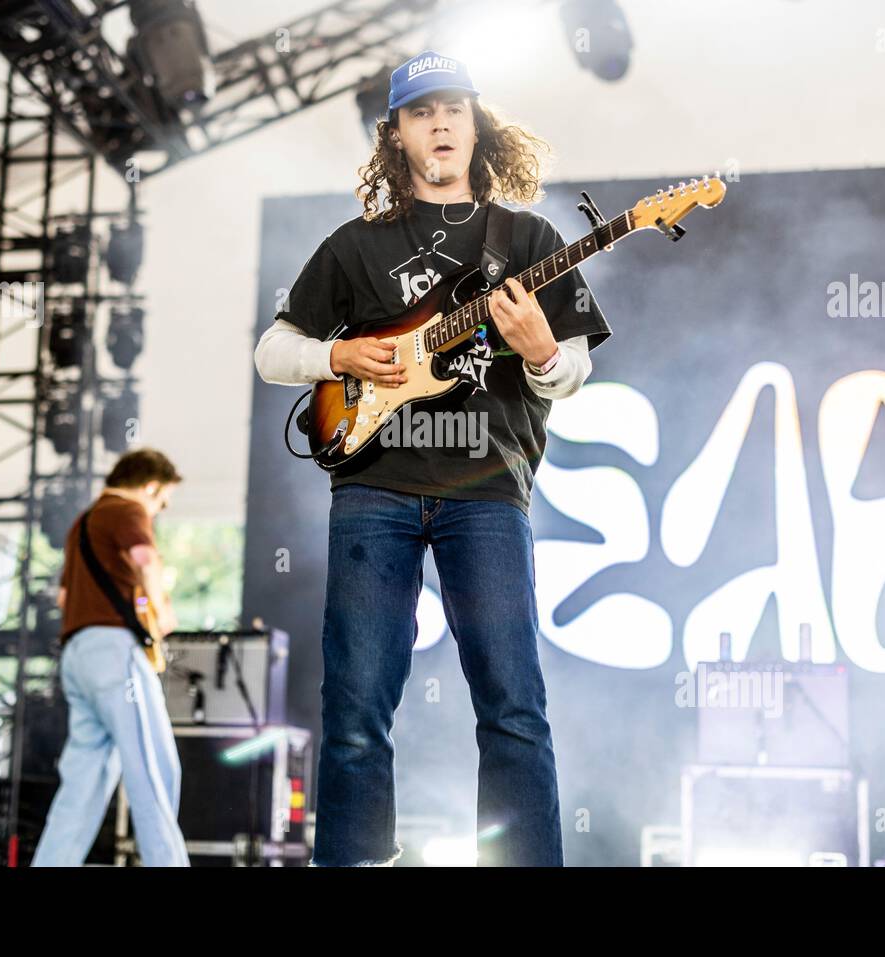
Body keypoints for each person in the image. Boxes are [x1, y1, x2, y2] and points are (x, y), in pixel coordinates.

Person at [254, 50, 610, 866]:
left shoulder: (528, 238)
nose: (440, 122)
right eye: (421, 112)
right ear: (397, 136)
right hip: (373, 490)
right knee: (353, 708)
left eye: (454, 107)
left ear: (478, 123)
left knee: (513, 704)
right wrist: (338, 362)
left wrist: (542, 348)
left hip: (487, 492)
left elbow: (573, 374)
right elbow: (275, 350)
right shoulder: (354, 246)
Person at [31, 448, 189, 867]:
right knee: (154, 770)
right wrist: (162, 616)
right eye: (162, 502)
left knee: (81, 787)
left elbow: (65, 596)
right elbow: (145, 559)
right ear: (150, 487)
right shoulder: (126, 509)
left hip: (77, 655)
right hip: (113, 654)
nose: (157, 512)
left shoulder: (82, 523)